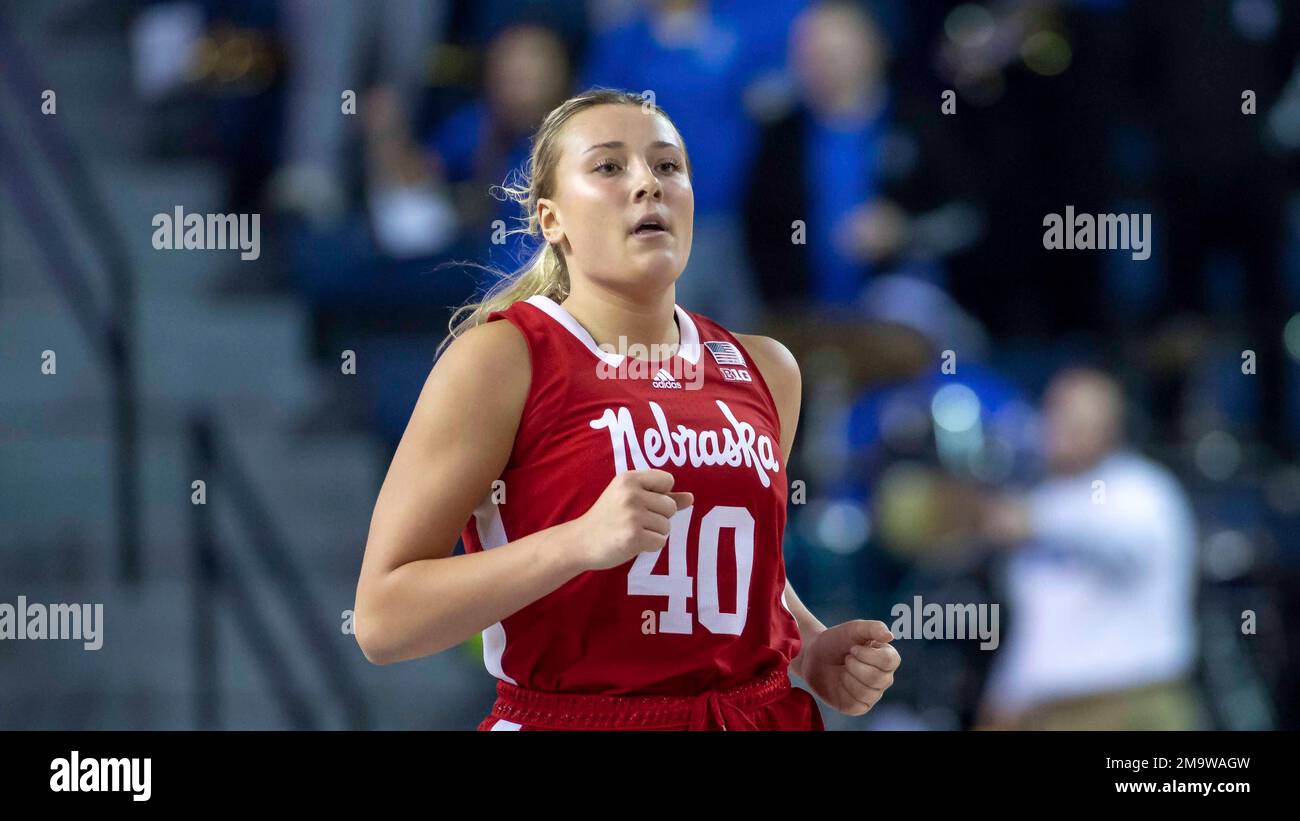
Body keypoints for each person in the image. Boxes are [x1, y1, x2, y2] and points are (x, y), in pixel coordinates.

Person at [353, 88, 900, 730]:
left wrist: (808, 648)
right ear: (551, 219)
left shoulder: (765, 366)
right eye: (610, 166)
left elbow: (742, 571)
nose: (648, 184)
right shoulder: (504, 358)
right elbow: (383, 620)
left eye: (668, 166)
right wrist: (575, 543)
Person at [976, 368, 1204, 730]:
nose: (1063, 425)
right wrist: (1004, 693)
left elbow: (1122, 547)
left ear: (1111, 424)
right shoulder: (1045, 498)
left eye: (1080, 416)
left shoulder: (1143, 489)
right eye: (1057, 412)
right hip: (1051, 712)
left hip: (1134, 705)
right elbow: (1038, 622)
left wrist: (1036, 524)